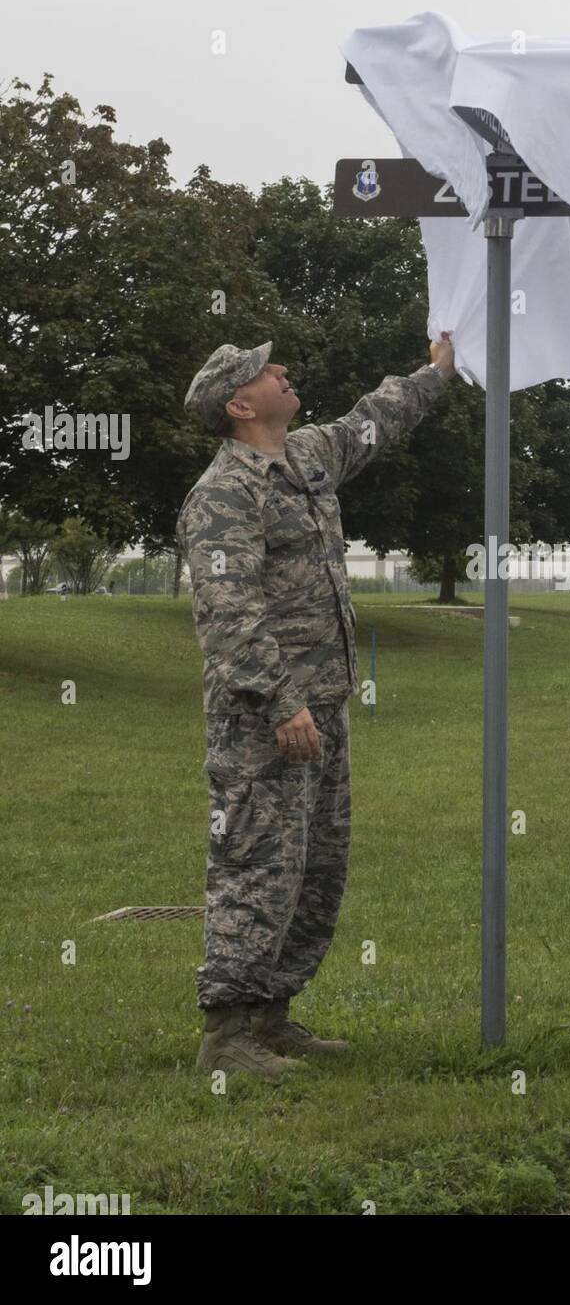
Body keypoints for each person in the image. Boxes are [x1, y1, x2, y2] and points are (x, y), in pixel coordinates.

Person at [177, 335, 456, 1079]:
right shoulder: (222, 494)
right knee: (258, 863)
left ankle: (270, 1015)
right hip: (264, 718)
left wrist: (438, 371)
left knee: (317, 868)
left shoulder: (304, 457)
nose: (282, 372)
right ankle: (227, 1035)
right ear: (239, 405)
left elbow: (374, 421)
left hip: (321, 708)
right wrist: (279, 701)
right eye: (265, 372)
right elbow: (229, 612)